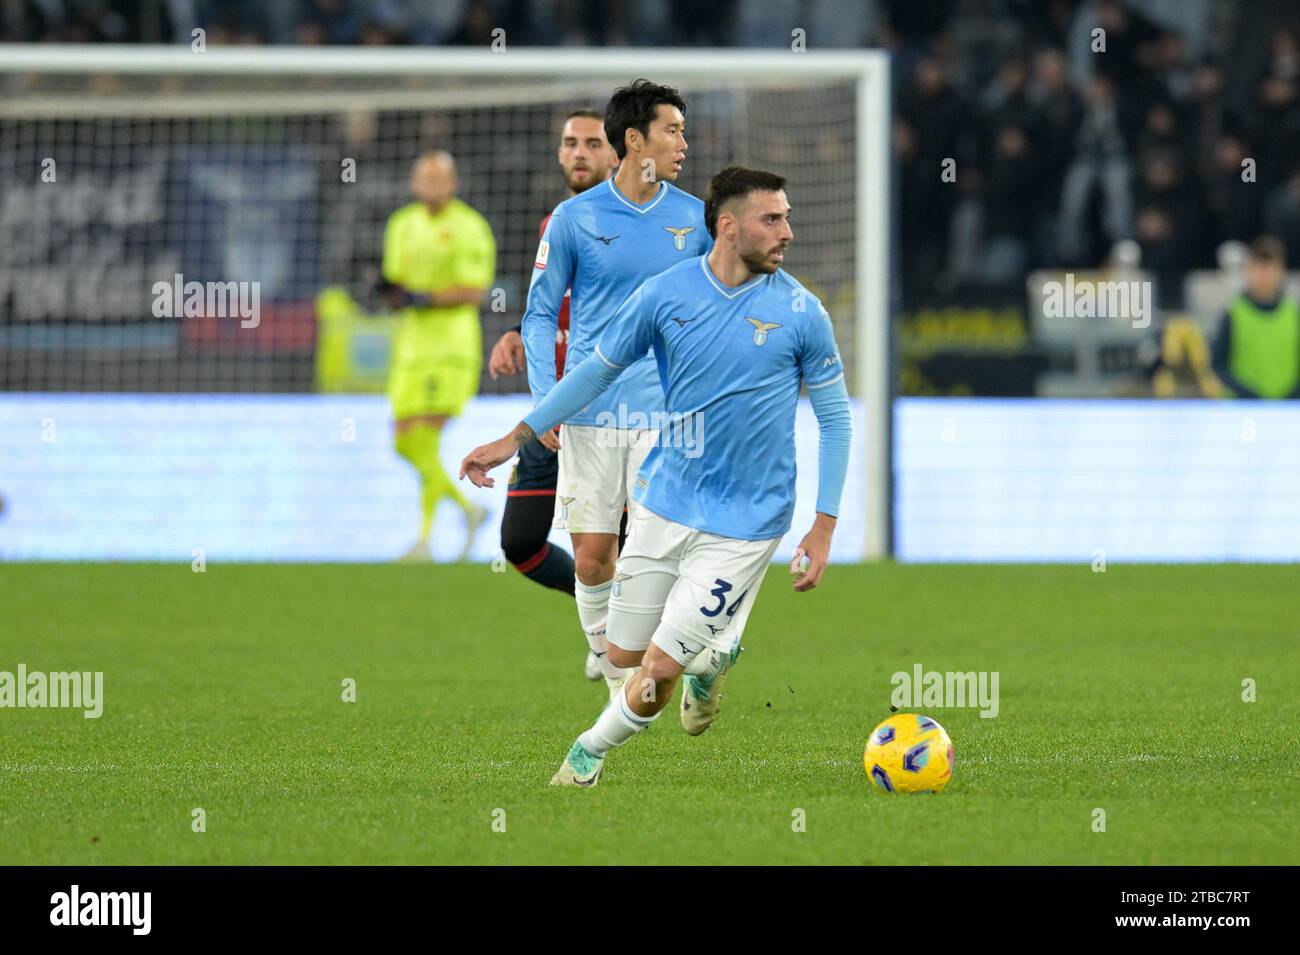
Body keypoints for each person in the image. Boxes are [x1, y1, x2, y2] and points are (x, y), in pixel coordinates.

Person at [461, 166, 853, 785]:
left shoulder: (802, 312)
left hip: (747, 524)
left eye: (787, 217)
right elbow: (594, 373)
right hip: (665, 502)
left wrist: (823, 525)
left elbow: (836, 421)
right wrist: (516, 437)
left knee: (657, 672)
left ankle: (586, 755)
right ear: (728, 227)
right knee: (624, 657)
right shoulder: (665, 295)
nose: (789, 232)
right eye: (772, 219)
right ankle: (715, 653)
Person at [519, 79, 713, 698]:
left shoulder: (695, 219)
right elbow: (539, 314)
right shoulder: (574, 219)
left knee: (666, 559)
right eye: (673, 130)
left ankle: (702, 660)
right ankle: (615, 681)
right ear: (635, 139)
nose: (684, 142)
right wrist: (545, 398)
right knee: (596, 558)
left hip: (669, 415)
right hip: (590, 413)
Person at [488, 109, 619, 680]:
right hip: (553, 412)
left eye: (594, 143)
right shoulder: (557, 221)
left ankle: (643, 647)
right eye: (571, 143)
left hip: (620, 416)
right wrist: (518, 331)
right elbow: (553, 309)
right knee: (521, 545)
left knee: (623, 550)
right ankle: (607, 626)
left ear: (619, 153)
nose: (581, 153)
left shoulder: (639, 223)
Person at [379, 151, 497, 560]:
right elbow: (396, 282)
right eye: (424, 179)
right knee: (404, 442)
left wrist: (425, 298)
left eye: (438, 179)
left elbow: (475, 290)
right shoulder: (401, 224)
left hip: (450, 347)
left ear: (453, 183)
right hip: (410, 346)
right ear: (414, 184)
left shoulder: (469, 227)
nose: (431, 187)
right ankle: (467, 510)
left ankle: (425, 540)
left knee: (424, 438)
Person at [1211, 236, 1300, 399]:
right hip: (1241, 411)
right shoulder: (1233, 314)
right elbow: (1218, 366)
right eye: (1259, 267)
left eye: (1270, 268)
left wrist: (1291, 395)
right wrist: (1249, 395)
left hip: (1288, 411)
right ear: (1248, 270)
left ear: (1281, 271)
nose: (1265, 275)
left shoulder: (1293, 314)